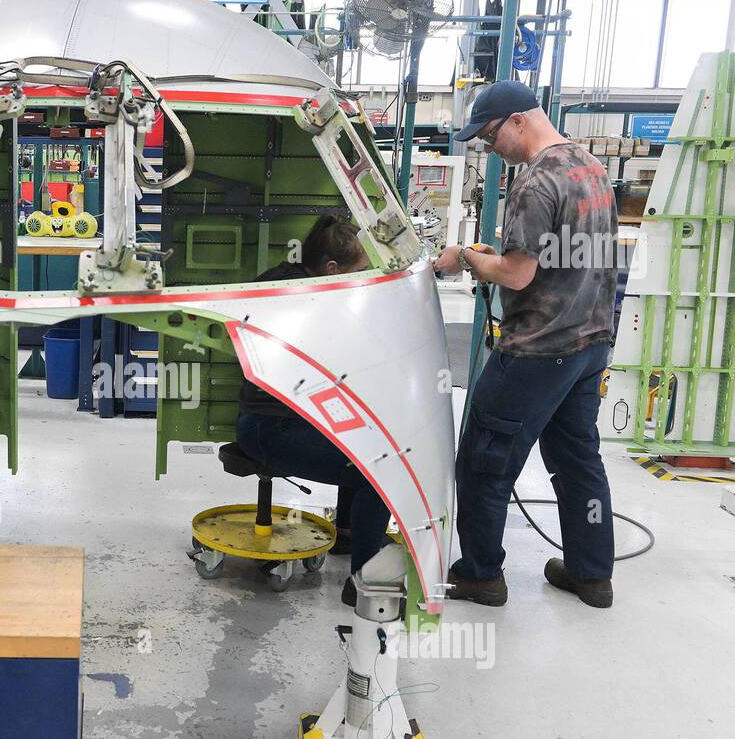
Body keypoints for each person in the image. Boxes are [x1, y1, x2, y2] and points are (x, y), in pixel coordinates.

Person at [436, 80, 618, 609]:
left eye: (491, 137)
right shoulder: (591, 166)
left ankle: (480, 574)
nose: (490, 149)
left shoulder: (535, 180)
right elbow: (556, 257)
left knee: (484, 459)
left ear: (517, 120)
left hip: (539, 348)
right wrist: (499, 256)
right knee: (579, 460)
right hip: (588, 344)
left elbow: (516, 277)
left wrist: (467, 257)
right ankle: (591, 574)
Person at [235, 214, 392, 606]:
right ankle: (364, 583)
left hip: (276, 422)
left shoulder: (291, 280)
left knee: (363, 442)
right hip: (270, 429)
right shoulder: (304, 298)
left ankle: (350, 534)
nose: (360, 281)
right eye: (358, 273)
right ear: (331, 268)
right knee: (379, 474)